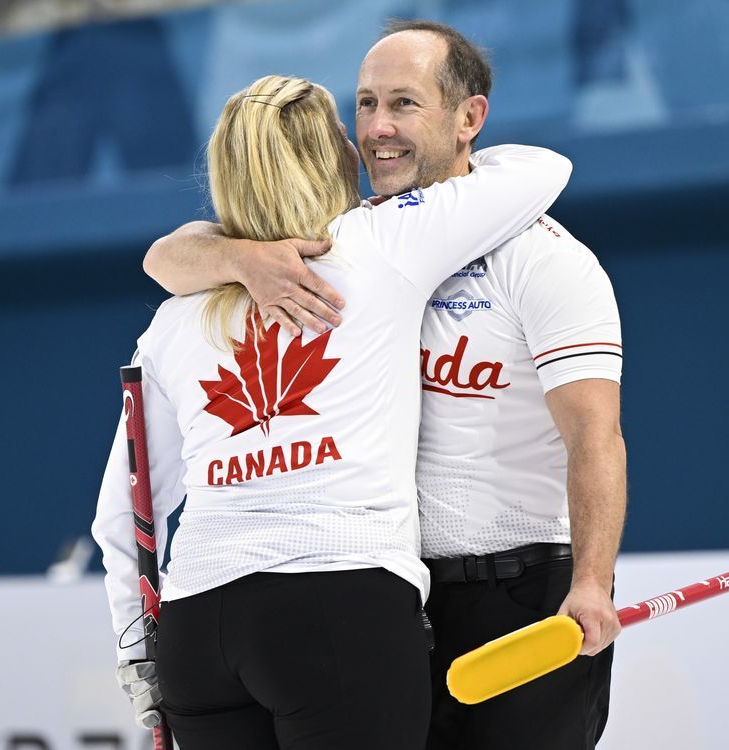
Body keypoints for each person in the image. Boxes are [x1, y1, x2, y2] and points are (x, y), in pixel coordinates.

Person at [144, 20, 626, 750]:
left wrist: (592, 579)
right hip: (395, 600)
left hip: (520, 594)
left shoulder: (545, 261)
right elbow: (165, 257)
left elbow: (595, 435)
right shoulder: (348, 245)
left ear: (469, 118)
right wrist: (242, 257)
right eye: (365, 104)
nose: (377, 129)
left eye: (404, 104)